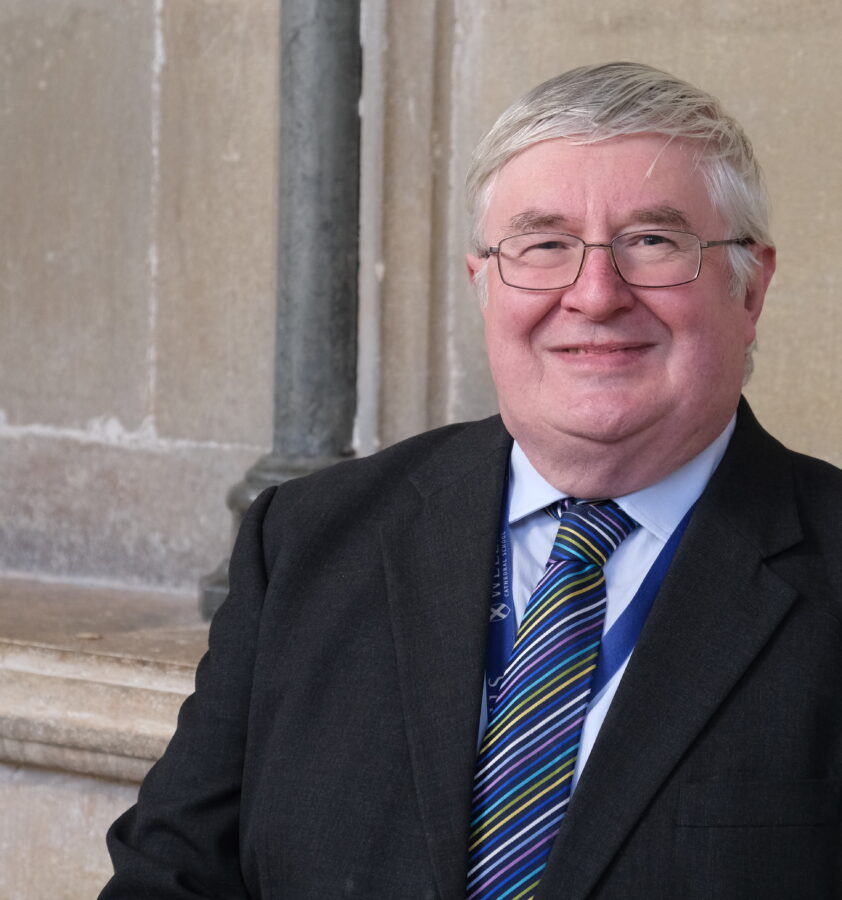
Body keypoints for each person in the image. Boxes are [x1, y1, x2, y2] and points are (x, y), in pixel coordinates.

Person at [100, 62, 842, 899]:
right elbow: (171, 878)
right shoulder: (307, 540)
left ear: (751, 288)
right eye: (544, 244)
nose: (594, 294)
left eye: (654, 242)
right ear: (482, 284)